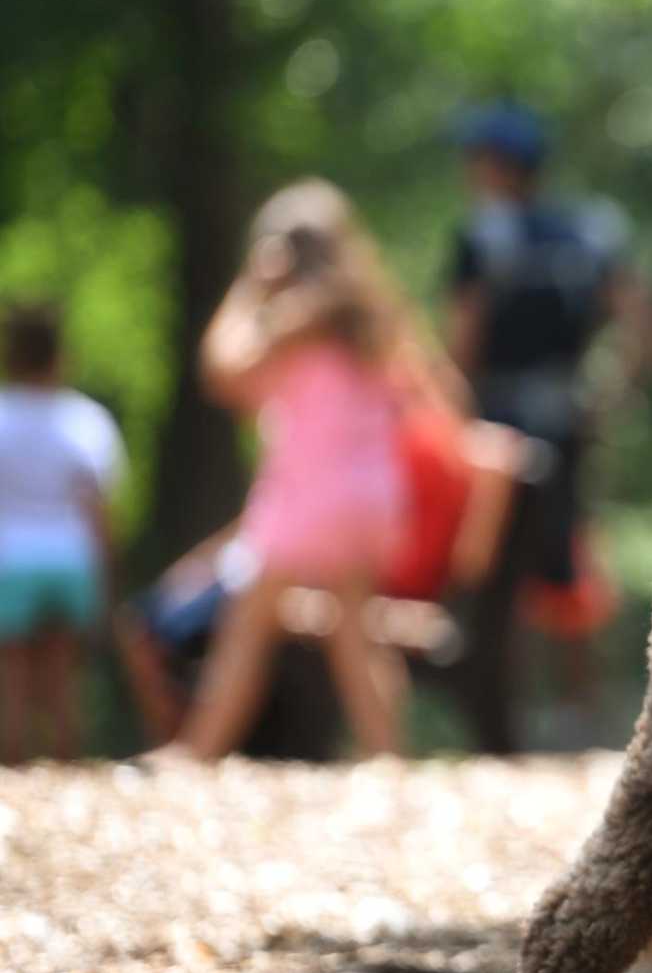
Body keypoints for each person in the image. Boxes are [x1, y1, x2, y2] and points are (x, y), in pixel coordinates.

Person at [146, 179, 459, 763]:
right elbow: (442, 401)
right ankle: (386, 755)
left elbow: (221, 368)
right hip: (371, 497)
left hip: (308, 495)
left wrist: (248, 285)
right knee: (355, 630)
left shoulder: (296, 317)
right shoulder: (376, 318)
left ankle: (198, 751)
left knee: (247, 622)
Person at [445, 100, 652, 751]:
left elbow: (462, 340)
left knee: (496, 571)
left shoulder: (483, 237)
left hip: (497, 427)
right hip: (568, 419)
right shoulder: (589, 232)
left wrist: (453, 419)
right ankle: (582, 716)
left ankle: (504, 723)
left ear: (494, 164)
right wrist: (607, 391)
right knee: (569, 553)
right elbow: (645, 326)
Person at [0, 304, 124, 762]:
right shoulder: (85, 420)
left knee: (11, 671)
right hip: (69, 557)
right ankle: (66, 765)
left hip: (9, 555)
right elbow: (97, 508)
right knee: (62, 670)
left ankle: (11, 768)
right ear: (60, 356)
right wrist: (109, 579)